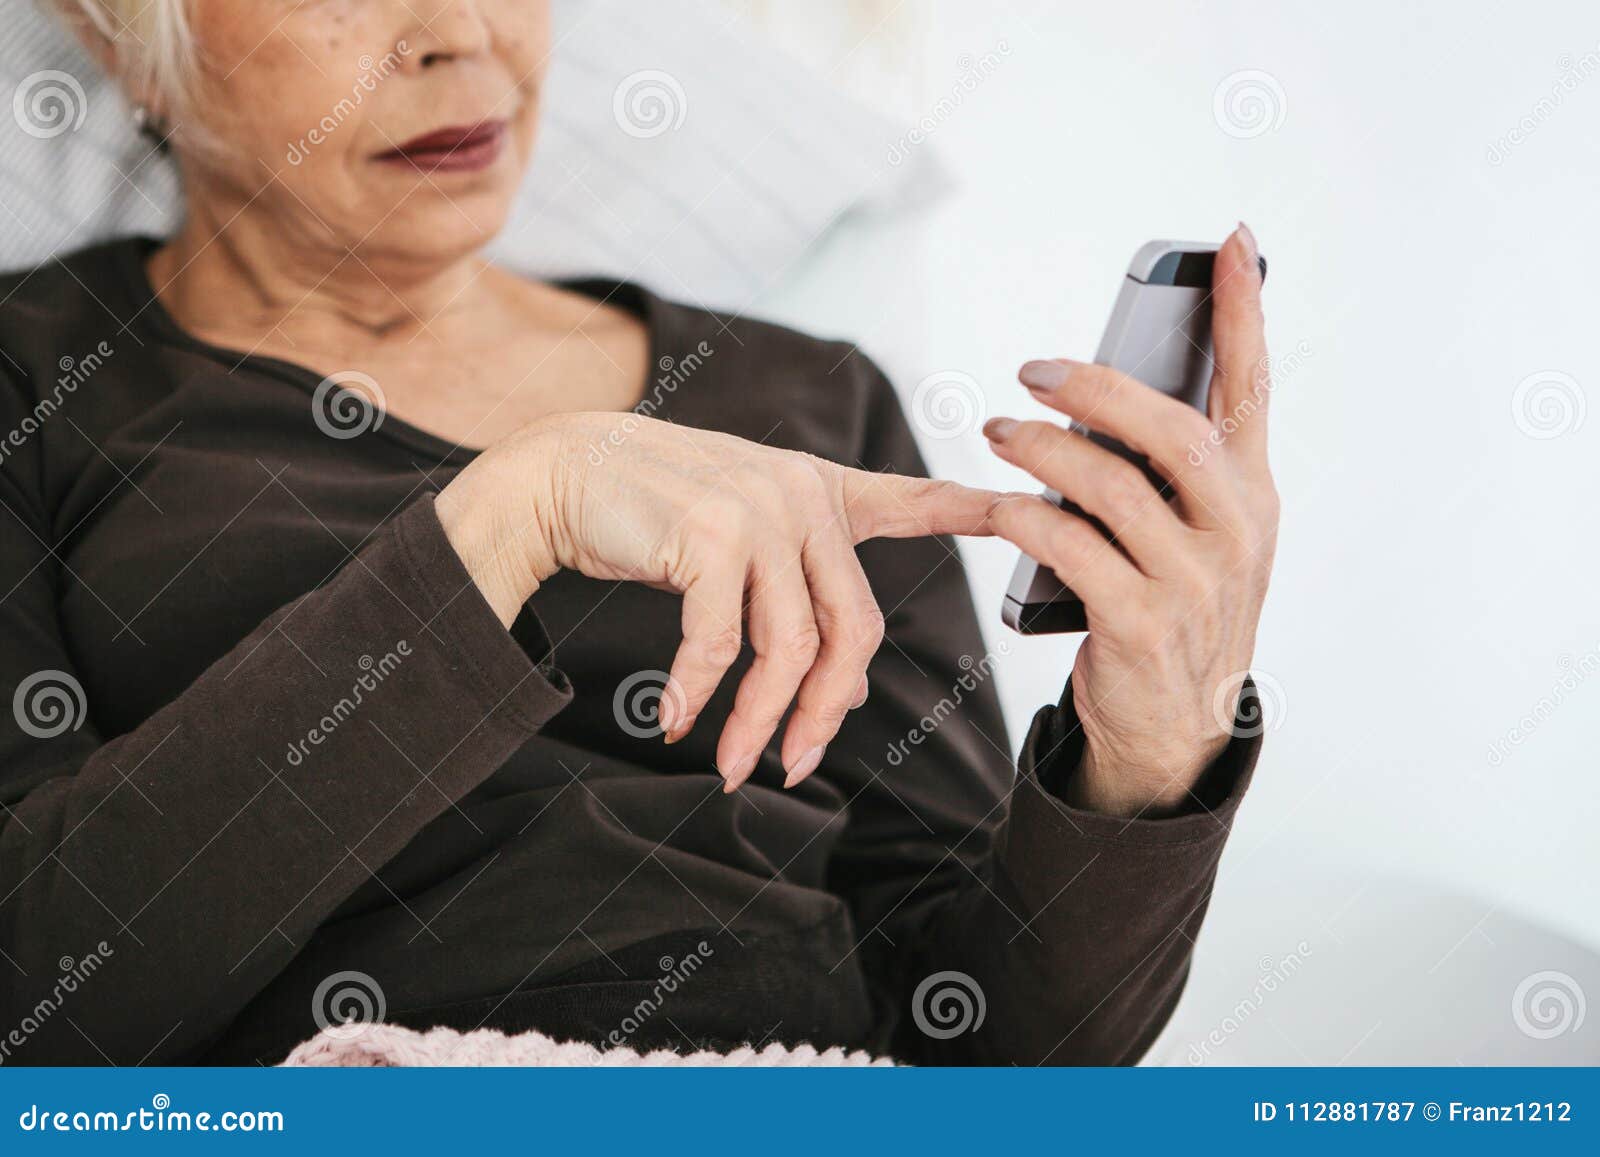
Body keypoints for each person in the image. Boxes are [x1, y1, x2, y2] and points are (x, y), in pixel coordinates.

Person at [0, 0, 1279, 1065]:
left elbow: (986, 1052)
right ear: (119, 36)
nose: (459, 34)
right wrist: (513, 516)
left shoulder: (804, 399)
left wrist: (1147, 757)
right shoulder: (38, 388)